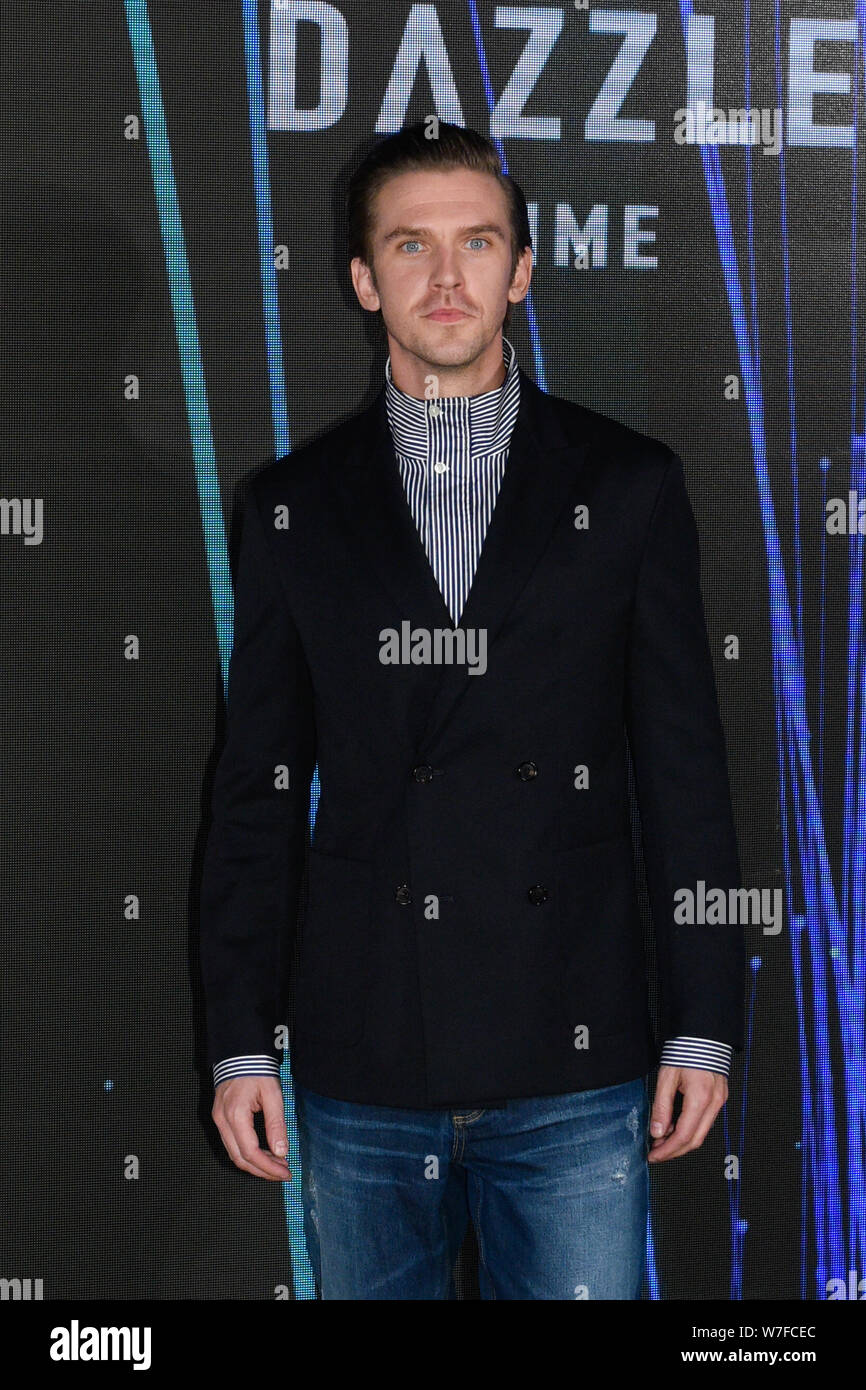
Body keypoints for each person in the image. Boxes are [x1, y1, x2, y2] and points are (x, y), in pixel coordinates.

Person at [200, 121, 745, 1300]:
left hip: (574, 1057)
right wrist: (243, 1038)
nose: (445, 279)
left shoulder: (627, 484)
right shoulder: (292, 507)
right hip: (361, 1059)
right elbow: (257, 788)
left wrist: (702, 1020)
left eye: (475, 243)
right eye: (410, 246)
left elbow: (682, 771)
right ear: (361, 276)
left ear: (522, 268)